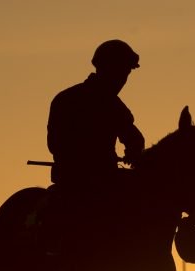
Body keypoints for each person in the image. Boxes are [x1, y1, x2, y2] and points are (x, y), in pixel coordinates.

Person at [42, 40, 145, 255]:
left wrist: (134, 153)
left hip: (106, 178)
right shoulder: (67, 100)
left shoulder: (116, 108)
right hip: (73, 180)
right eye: (120, 72)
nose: (123, 80)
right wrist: (88, 160)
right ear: (105, 68)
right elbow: (56, 144)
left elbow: (134, 138)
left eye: (126, 74)